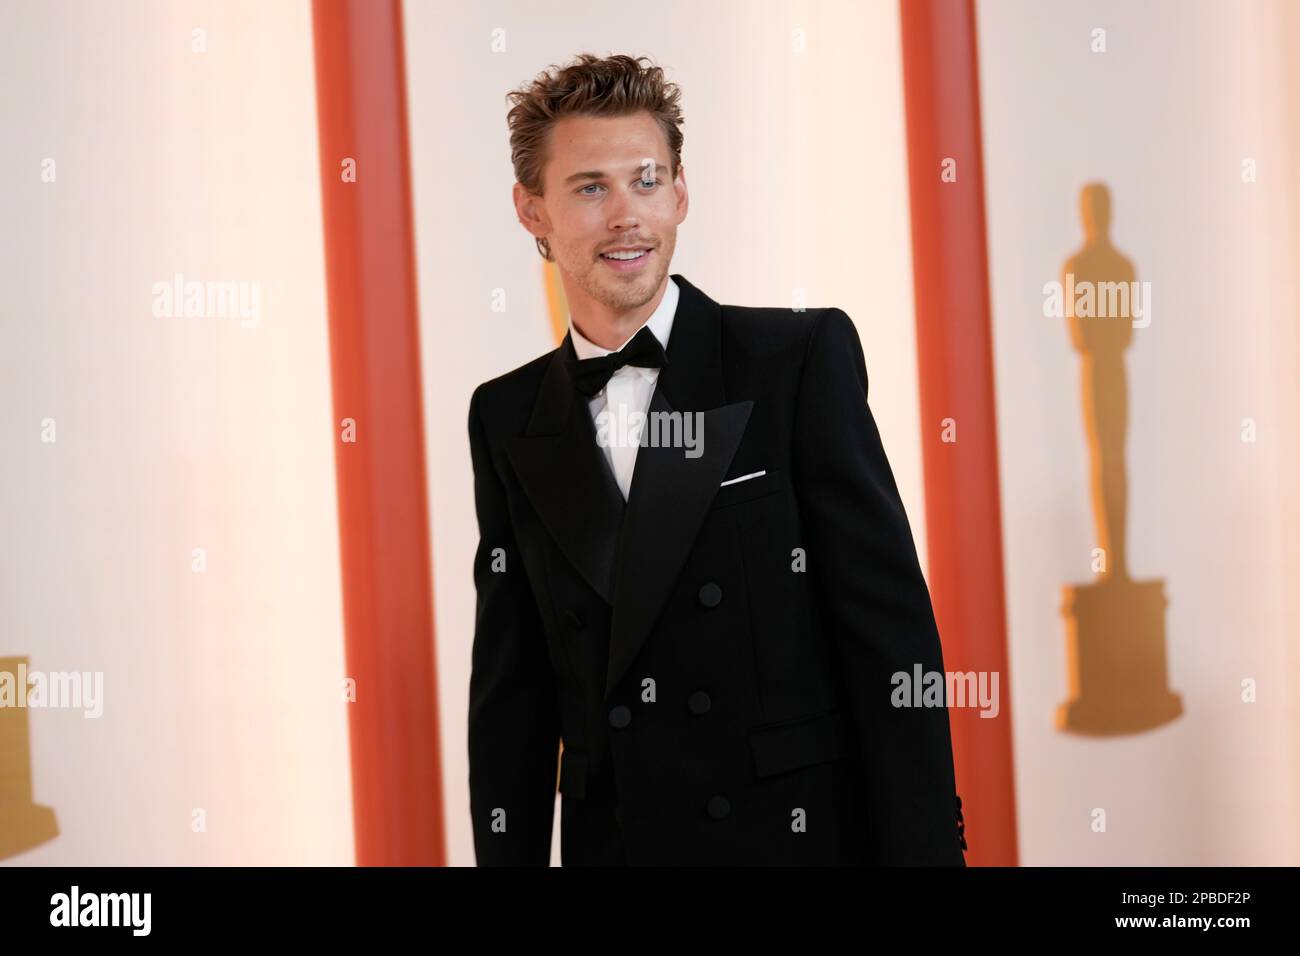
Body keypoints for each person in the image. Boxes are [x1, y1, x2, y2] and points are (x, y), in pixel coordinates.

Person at [467, 52, 965, 866]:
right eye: (591, 187)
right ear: (532, 211)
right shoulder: (506, 414)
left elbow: (892, 642)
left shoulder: (795, 358)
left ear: (681, 193)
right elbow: (512, 696)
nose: (626, 215)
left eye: (647, 180)